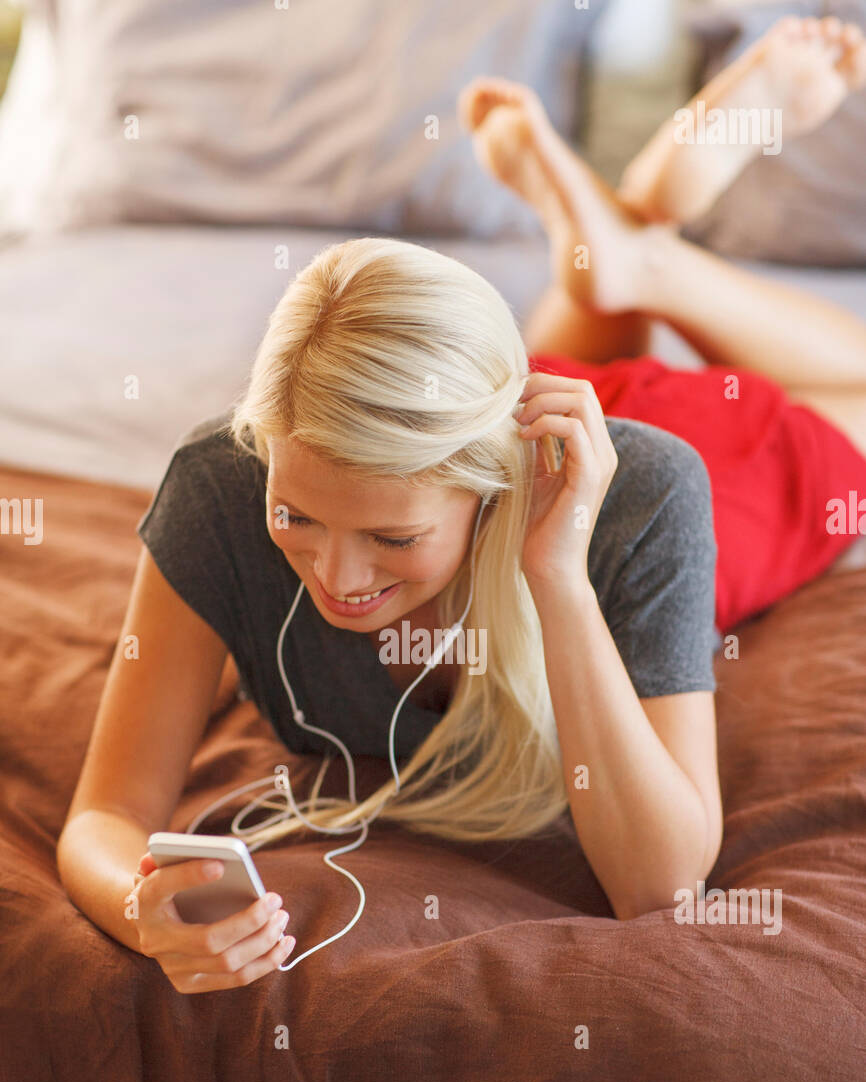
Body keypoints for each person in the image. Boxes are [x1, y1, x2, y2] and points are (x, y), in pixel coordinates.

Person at [57, 14, 866, 993]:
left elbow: (660, 882)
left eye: (389, 537)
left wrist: (559, 580)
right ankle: (607, 247)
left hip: (681, 461)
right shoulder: (219, 487)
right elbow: (103, 816)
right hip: (510, 391)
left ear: (493, 483)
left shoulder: (644, 500)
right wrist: (139, 907)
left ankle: (647, 263)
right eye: (296, 515)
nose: (335, 577)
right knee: (571, 365)